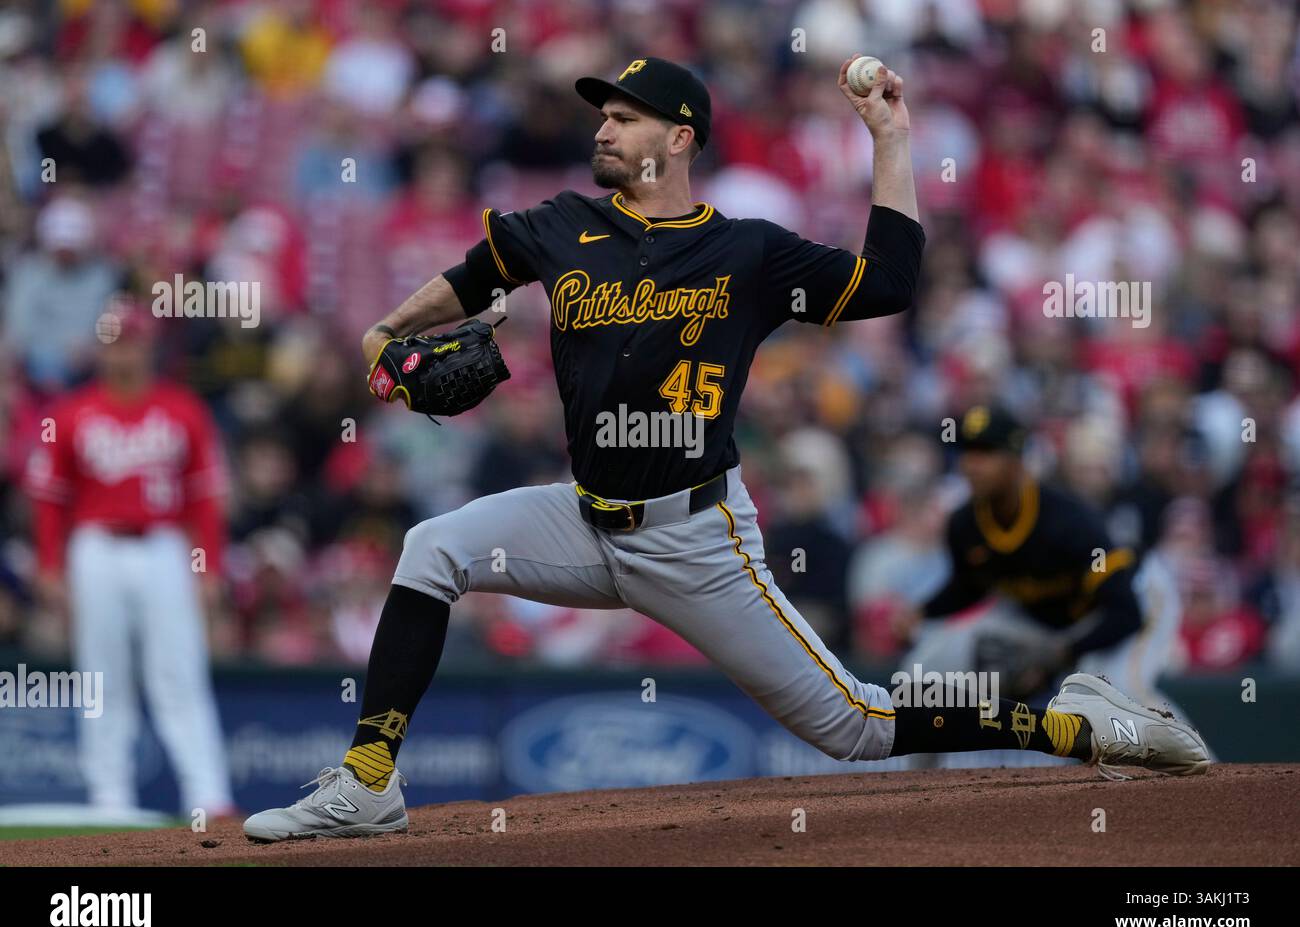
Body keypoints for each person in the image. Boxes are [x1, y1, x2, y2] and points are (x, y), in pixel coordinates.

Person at [243, 57, 1208, 842]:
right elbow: (460, 284)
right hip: (583, 518)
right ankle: (370, 778)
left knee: (856, 725)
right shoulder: (561, 227)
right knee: (432, 548)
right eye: (602, 115)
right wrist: (384, 334)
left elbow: (889, 281)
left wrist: (892, 141)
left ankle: (1081, 723)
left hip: (696, 537)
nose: (603, 131)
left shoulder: (748, 251)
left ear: (680, 138)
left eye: (625, 117)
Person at [24, 304, 236, 819]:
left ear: (148, 345)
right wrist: (50, 565)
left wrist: (207, 566)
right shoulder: (71, 413)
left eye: (131, 340)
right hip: (95, 548)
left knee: (180, 673)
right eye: (114, 341)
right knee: (102, 678)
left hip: (164, 546)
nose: (123, 350)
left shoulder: (182, 409)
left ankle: (208, 796)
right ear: (100, 348)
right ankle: (109, 799)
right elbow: (49, 499)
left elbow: (203, 498)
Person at [895, 405, 1191, 768]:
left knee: (1119, 692)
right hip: (1048, 622)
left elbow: (1124, 612)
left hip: (1137, 599)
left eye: (986, 452)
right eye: (967, 452)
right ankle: (918, 788)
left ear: (1017, 460)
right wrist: (922, 611)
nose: (972, 464)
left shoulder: (1067, 521)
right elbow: (969, 586)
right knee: (925, 672)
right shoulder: (965, 523)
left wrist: (1063, 653)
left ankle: (1203, 773)